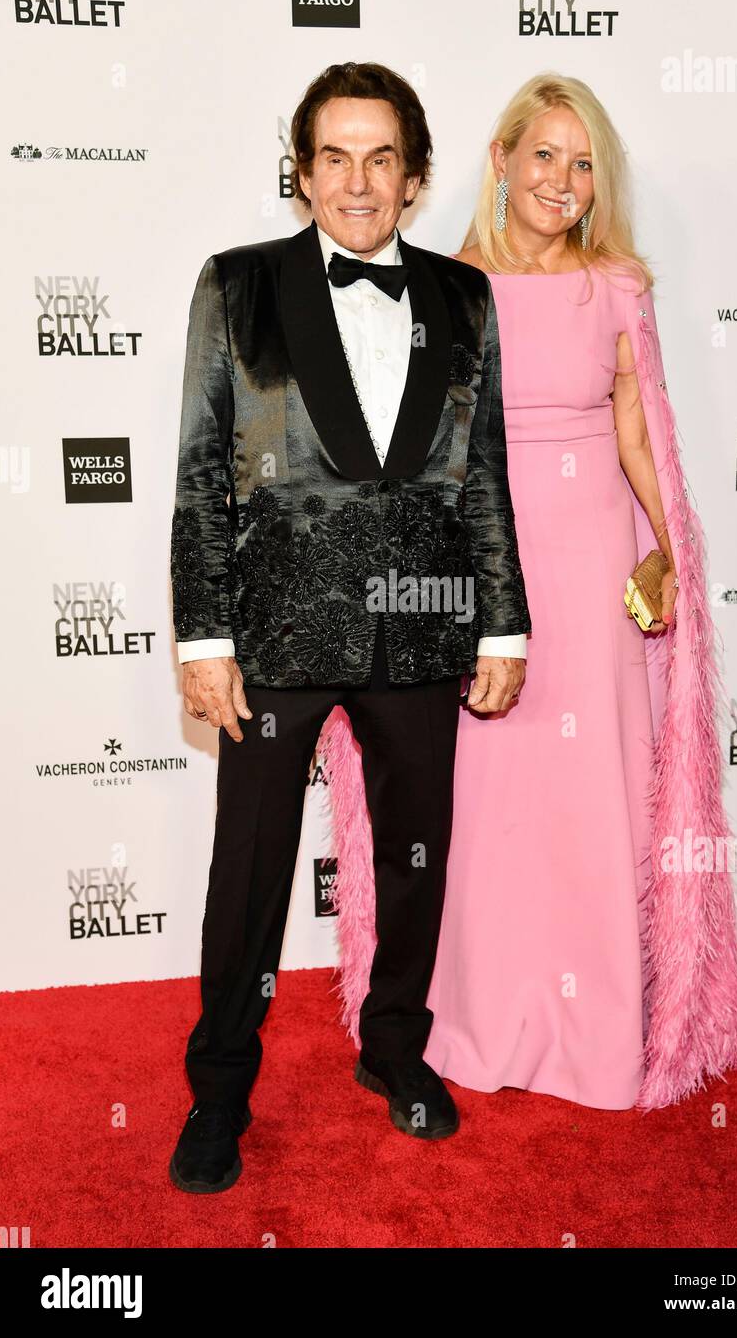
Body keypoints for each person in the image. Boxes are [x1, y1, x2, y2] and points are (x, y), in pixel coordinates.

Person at [327, 74, 737, 1111]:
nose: (561, 181)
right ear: (501, 159)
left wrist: (668, 554)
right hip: (483, 572)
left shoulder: (618, 285)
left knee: (590, 800)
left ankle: (593, 1030)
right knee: (482, 803)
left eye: (582, 165)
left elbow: (637, 436)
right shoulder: (443, 285)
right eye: (544, 156)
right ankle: (476, 1022)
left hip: (591, 561)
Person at [167, 61, 531, 1193]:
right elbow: (199, 478)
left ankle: (396, 1051)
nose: (358, 182)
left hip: (423, 628)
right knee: (250, 871)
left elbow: (484, 474)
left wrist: (502, 626)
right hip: (274, 630)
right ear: (302, 170)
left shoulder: (465, 299)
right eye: (335, 156)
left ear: (414, 178)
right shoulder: (236, 286)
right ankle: (220, 1091)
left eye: (382, 159)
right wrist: (201, 637)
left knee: (416, 859)